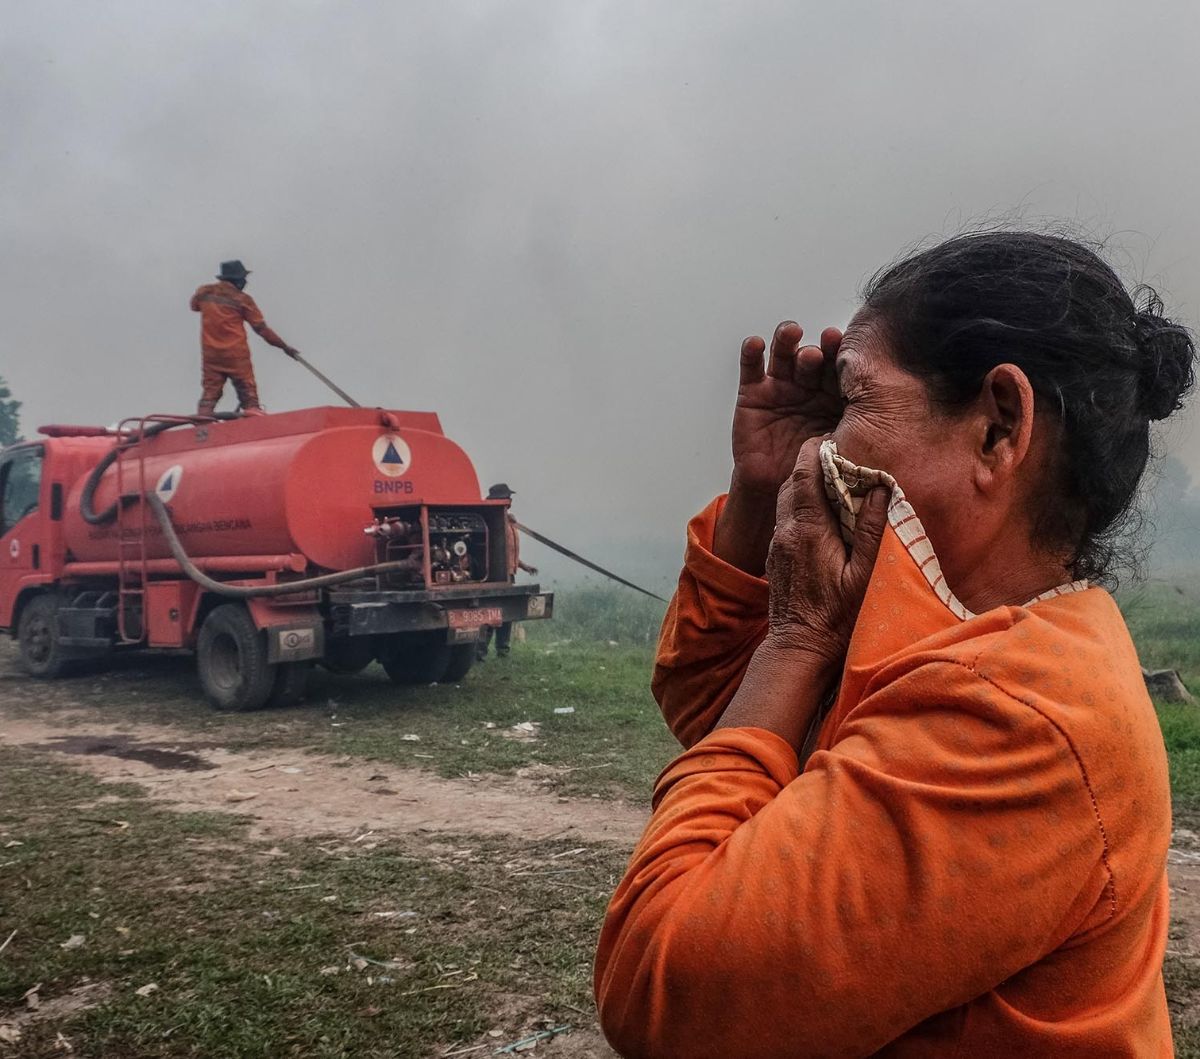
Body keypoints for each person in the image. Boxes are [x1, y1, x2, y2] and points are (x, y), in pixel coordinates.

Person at [594, 231, 1196, 1057]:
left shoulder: (1023, 713)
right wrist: (762, 492)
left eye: (853, 401)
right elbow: (713, 711)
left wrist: (799, 639)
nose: (822, 447)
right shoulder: (944, 622)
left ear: (998, 429)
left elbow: (659, 984)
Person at [190, 260, 300, 416]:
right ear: (238, 279)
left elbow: (194, 306)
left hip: (211, 354)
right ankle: (253, 418)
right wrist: (284, 346)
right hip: (236, 354)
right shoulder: (242, 299)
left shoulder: (204, 292)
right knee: (247, 392)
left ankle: (202, 420)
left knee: (210, 391)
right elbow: (261, 328)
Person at [477, 483, 538, 659]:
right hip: (494, 576)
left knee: (506, 613)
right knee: (491, 614)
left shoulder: (510, 522)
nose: (510, 500)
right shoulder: (490, 519)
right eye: (507, 497)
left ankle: (502, 649)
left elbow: (508, 552)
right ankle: (480, 651)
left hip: (509, 575)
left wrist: (524, 566)